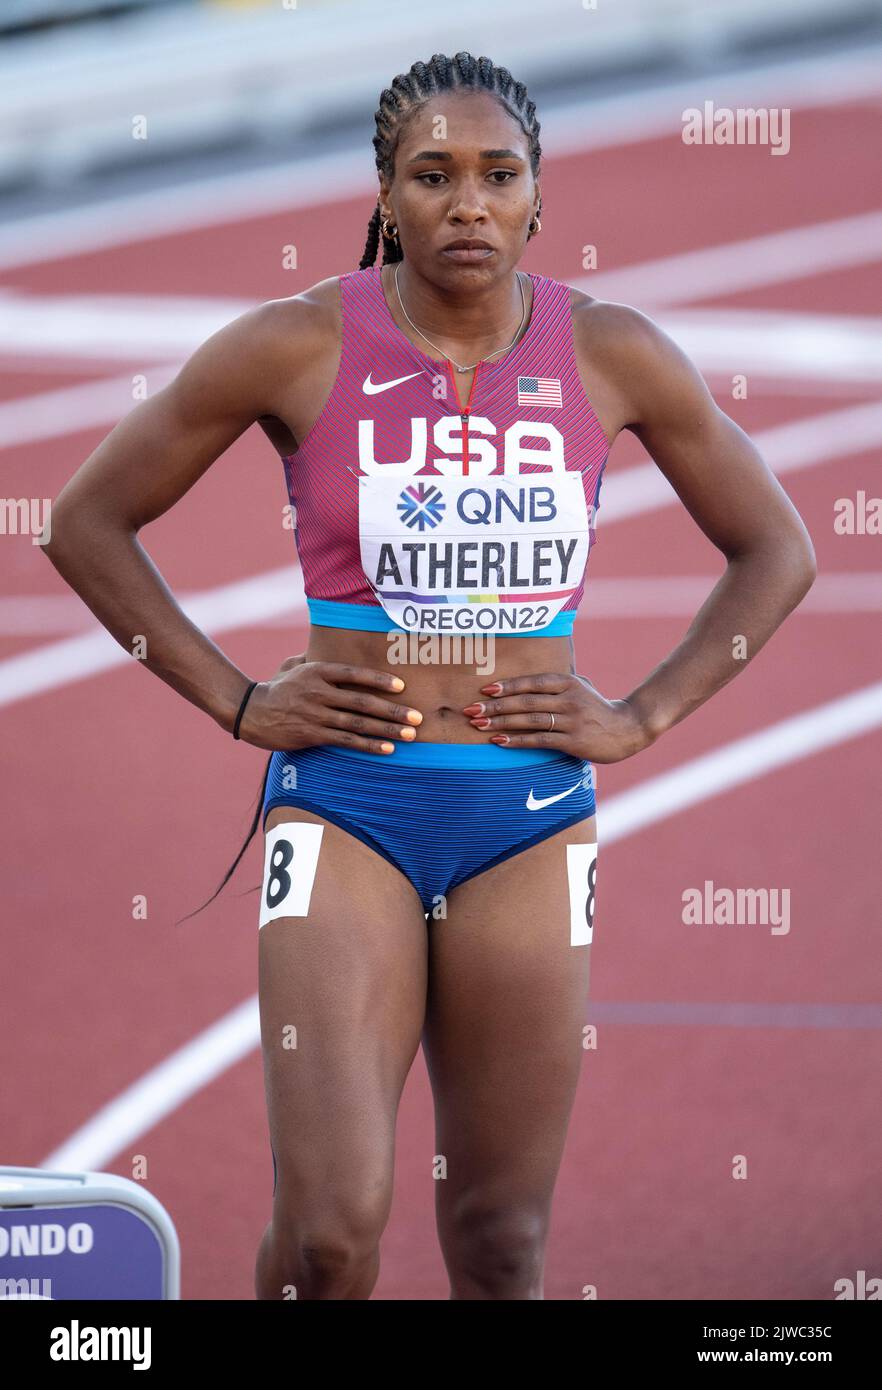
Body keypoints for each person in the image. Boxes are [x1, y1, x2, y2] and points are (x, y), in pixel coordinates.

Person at [42, 52, 816, 1300]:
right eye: (434, 175)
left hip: (527, 823)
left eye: (498, 176)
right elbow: (83, 522)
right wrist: (240, 701)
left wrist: (645, 714)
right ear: (386, 195)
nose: (469, 203)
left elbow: (779, 546)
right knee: (331, 1239)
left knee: (501, 1246)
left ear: (538, 199)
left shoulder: (611, 350)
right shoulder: (292, 345)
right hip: (349, 805)